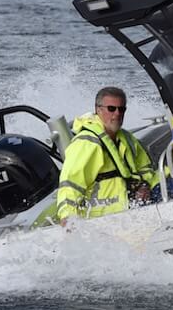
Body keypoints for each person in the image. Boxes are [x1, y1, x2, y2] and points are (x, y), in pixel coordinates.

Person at [53, 86, 164, 224]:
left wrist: (145, 186)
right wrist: (68, 217)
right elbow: (70, 183)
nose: (117, 114)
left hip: (134, 205)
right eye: (111, 109)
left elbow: (145, 169)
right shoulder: (86, 143)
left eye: (121, 109)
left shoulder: (127, 138)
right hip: (106, 217)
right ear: (98, 110)